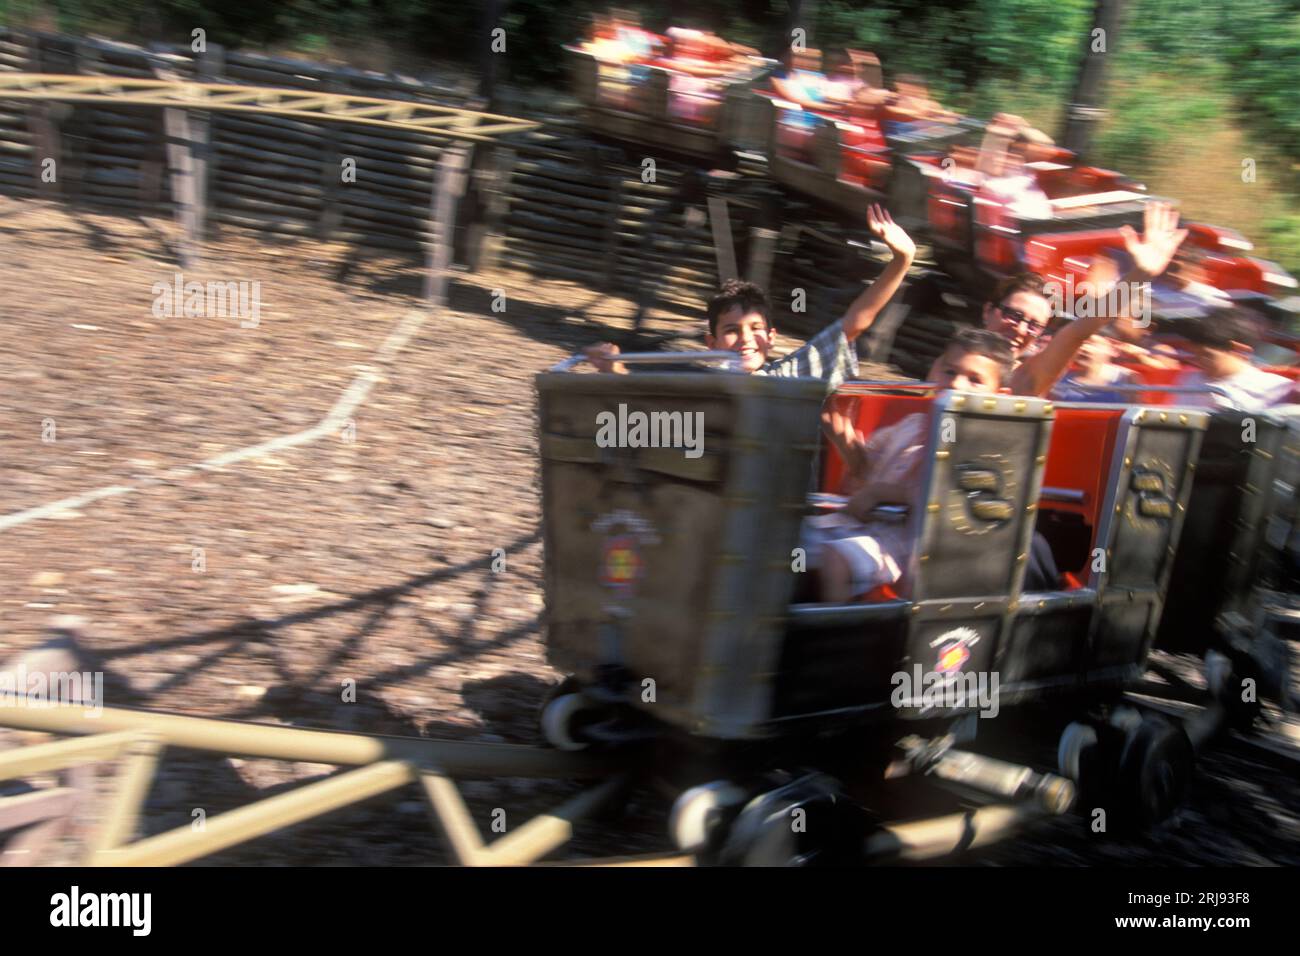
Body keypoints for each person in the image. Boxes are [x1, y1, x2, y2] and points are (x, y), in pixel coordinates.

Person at [804, 329, 1059, 602]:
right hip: (865, 527)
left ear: (999, 394)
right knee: (785, 537)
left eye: (974, 380)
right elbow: (861, 479)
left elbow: (949, 496)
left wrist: (883, 493)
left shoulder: (986, 446)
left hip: (915, 546)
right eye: (950, 372)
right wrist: (845, 442)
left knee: (837, 559)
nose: (957, 384)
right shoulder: (912, 424)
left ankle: (839, 637)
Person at [583, 204, 915, 391]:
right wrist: (614, 368)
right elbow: (651, 404)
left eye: (755, 328)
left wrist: (902, 260)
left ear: (771, 338)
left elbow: (855, 322)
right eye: (731, 330)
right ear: (710, 342)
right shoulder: (694, 384)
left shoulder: (789, 376)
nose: (745, 339)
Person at [977, 201, 1189, 397]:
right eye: (1014, 315)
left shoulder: (1025, 379)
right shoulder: (952, 357)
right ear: (988, 310)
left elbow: (1084, 327)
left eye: (1033, 325)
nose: (1021, 330)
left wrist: (1140, 274)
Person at [1172, 306, 1293, 411]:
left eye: (1207, 355)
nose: (1198, 361)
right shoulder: (1189, 381)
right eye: (1194, 354)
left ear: (1239, 350)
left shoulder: (1276, 389)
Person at [1050, 334, 1138, 403]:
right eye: (1081, 344)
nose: (1085, 348)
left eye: (1092, 344)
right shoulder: (1061, 379)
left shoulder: (1126, 378)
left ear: (1112, 349)